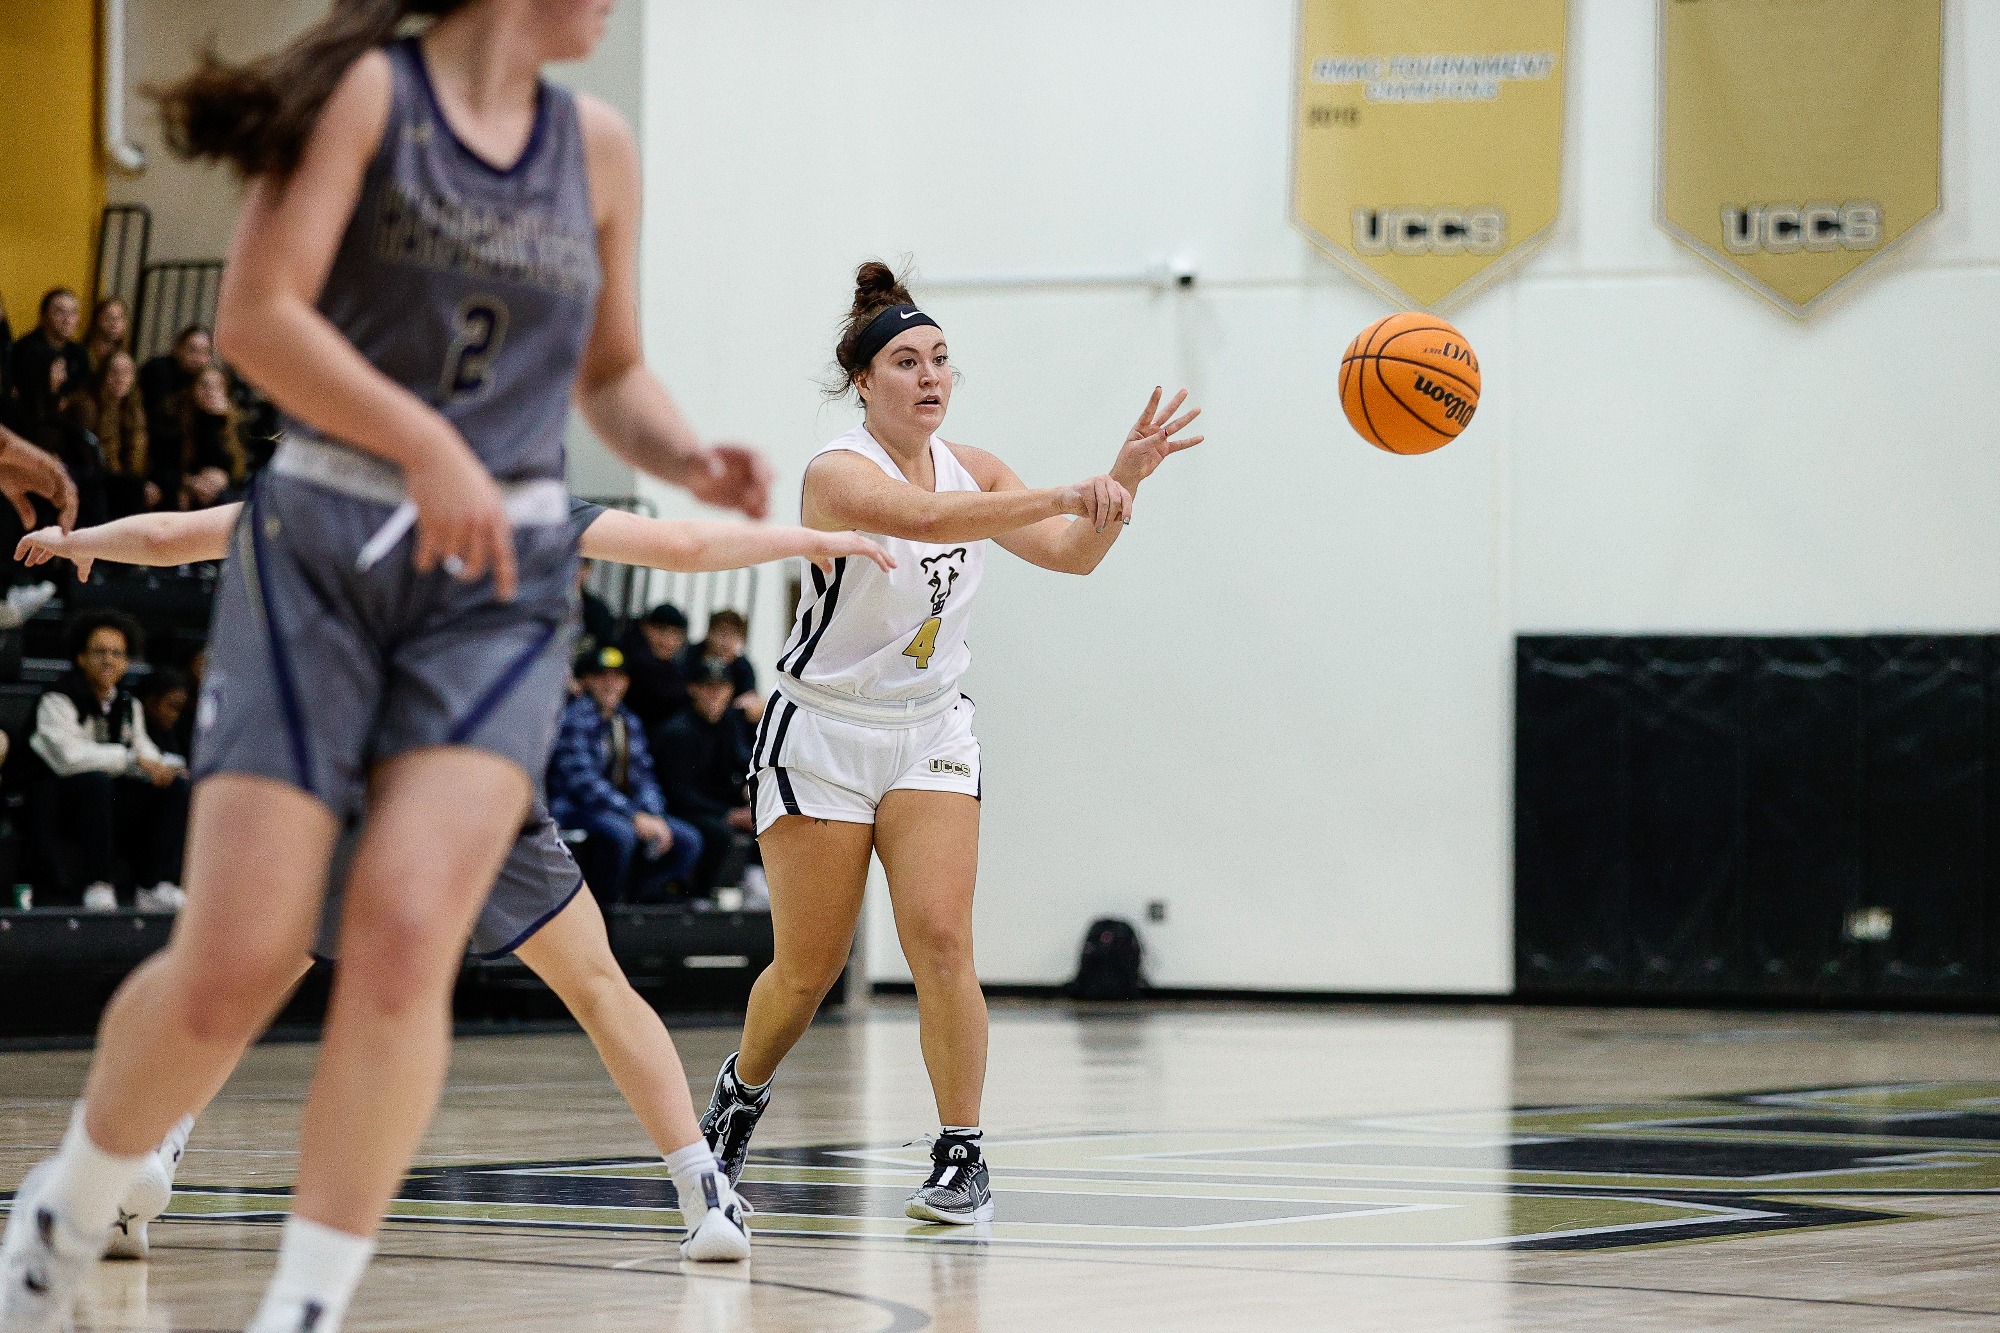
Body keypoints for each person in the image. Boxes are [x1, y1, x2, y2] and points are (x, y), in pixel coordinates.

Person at [0, 3, 779, 1330]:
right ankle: (74, 1188)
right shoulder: (369, 99)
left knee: (412, 939)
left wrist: (686, 447)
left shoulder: (597, 146)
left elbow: (615, 368)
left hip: (494, 586)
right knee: (238, 958)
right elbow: (253, 318)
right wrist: (423, 441)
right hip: (326, 554)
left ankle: (304, 1304)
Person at [16, 491, 890, 1269]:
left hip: (360, 783)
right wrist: (799, 536)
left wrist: (79, 538)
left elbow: (175, 536)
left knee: (247, 981)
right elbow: (689, 547)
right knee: (598, 987)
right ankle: (705, 1192)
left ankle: (152, 1154)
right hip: (482, 786)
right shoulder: (524, 502)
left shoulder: (325, 497)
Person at [697, 262, 1203, 1227]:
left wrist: (1122, 483)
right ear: (864, 381)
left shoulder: (980, 465)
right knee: (807, 969)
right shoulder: (836, 472)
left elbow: (1071, 554)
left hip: (931, 729)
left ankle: (962, 1153)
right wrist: (1066, 486)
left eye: (940, 360)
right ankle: (740, 1092)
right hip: (824, 732)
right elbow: (929, 520)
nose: (929, 377)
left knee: (941, 937)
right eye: (906, 361)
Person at [26, 611, 188, 913]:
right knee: (95, 782)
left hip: (105, 804)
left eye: (117, 653)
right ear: (81, 657)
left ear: (126, 663)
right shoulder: (56, 699)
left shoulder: (128, 704)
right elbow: (68, 759)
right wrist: (129, 758)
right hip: (59, 802)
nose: (108, 660)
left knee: (175, 788)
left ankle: (156, 885)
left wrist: (166, 768)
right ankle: (97, 883)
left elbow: (145, 751)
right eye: (100, 652)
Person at [551, 645, 701, 901]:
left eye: (618, 677)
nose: (611, 684)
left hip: (622, 809)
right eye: (602, 677)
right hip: (577, 807)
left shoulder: (628, 720)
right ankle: (605, 908)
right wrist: (634, 815)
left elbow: (644, 775)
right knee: (621, 835)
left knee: (689, 840)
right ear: (587, 680)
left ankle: (641, 904)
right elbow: (583, 783)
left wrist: (652, 814)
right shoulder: (575, 718)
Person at [652, 656, 755, 894]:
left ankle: (754, 885)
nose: (715, 694)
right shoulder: (677, 732)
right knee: (717, 832)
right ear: (693, 689)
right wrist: (728, 814)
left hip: (712, 801)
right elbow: (679, 794)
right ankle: (698, 894)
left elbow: (742, 764)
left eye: (721, 687)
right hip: (679, 807)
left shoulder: (729, 723)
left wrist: (751, 791)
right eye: (708, 687)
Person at [80, 351, 156, 517]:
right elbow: (92, 461)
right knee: (134, 488)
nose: (120, 377)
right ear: (104, 374)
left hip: (121, 484)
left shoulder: (134, 410)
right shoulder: (88, 406)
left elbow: (137, 460)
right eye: (114, 371)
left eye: (126, 372)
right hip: (95, 481)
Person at [162, 365, 249, 508]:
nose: (210, 392)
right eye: (204, 385)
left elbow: (239, 469)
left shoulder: (236, 423)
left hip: (222, 491)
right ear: (193, 388)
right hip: (186, 487)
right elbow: (167, 464)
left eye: (217, 387)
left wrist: (216, 419)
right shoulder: (176, 417)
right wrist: (192, 482)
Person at [6, 289, 89, 439]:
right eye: (60, 312)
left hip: (68, 427)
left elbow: (83, 390)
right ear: (44, 315)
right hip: (28, 428)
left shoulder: (79, 353)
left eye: (73, 313)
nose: (68, 319)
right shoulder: (25, 349)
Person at [136, 325, 211, 461]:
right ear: (178, 348)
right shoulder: (158, 370)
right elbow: (160, 419)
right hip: (153, 446)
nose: (197, 358)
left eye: (204, 352)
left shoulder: (205, 380)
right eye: (192, 350)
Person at [678, 607, 761, 723]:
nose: (726, 641)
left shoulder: (743, 667)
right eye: (722, 633)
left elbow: (749, 701)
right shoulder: (689, 655)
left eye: (734, 634)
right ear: (709, 633)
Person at [619, 601, 691, 727]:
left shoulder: (677, 665)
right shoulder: (632, 657)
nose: (668, 641)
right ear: (645, 628)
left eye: (675, 634)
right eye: (662, 631)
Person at [575, 556, 619, 649]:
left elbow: (606, 646)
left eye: (577, 567)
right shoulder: (545, 604)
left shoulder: (598, 610)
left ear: (587, 570)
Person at [82, 299, 131, 379]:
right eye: (109, 316)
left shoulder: (126, 357)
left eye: (120, 317)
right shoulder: (82, 353)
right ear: (97, 319)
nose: (115, 322)